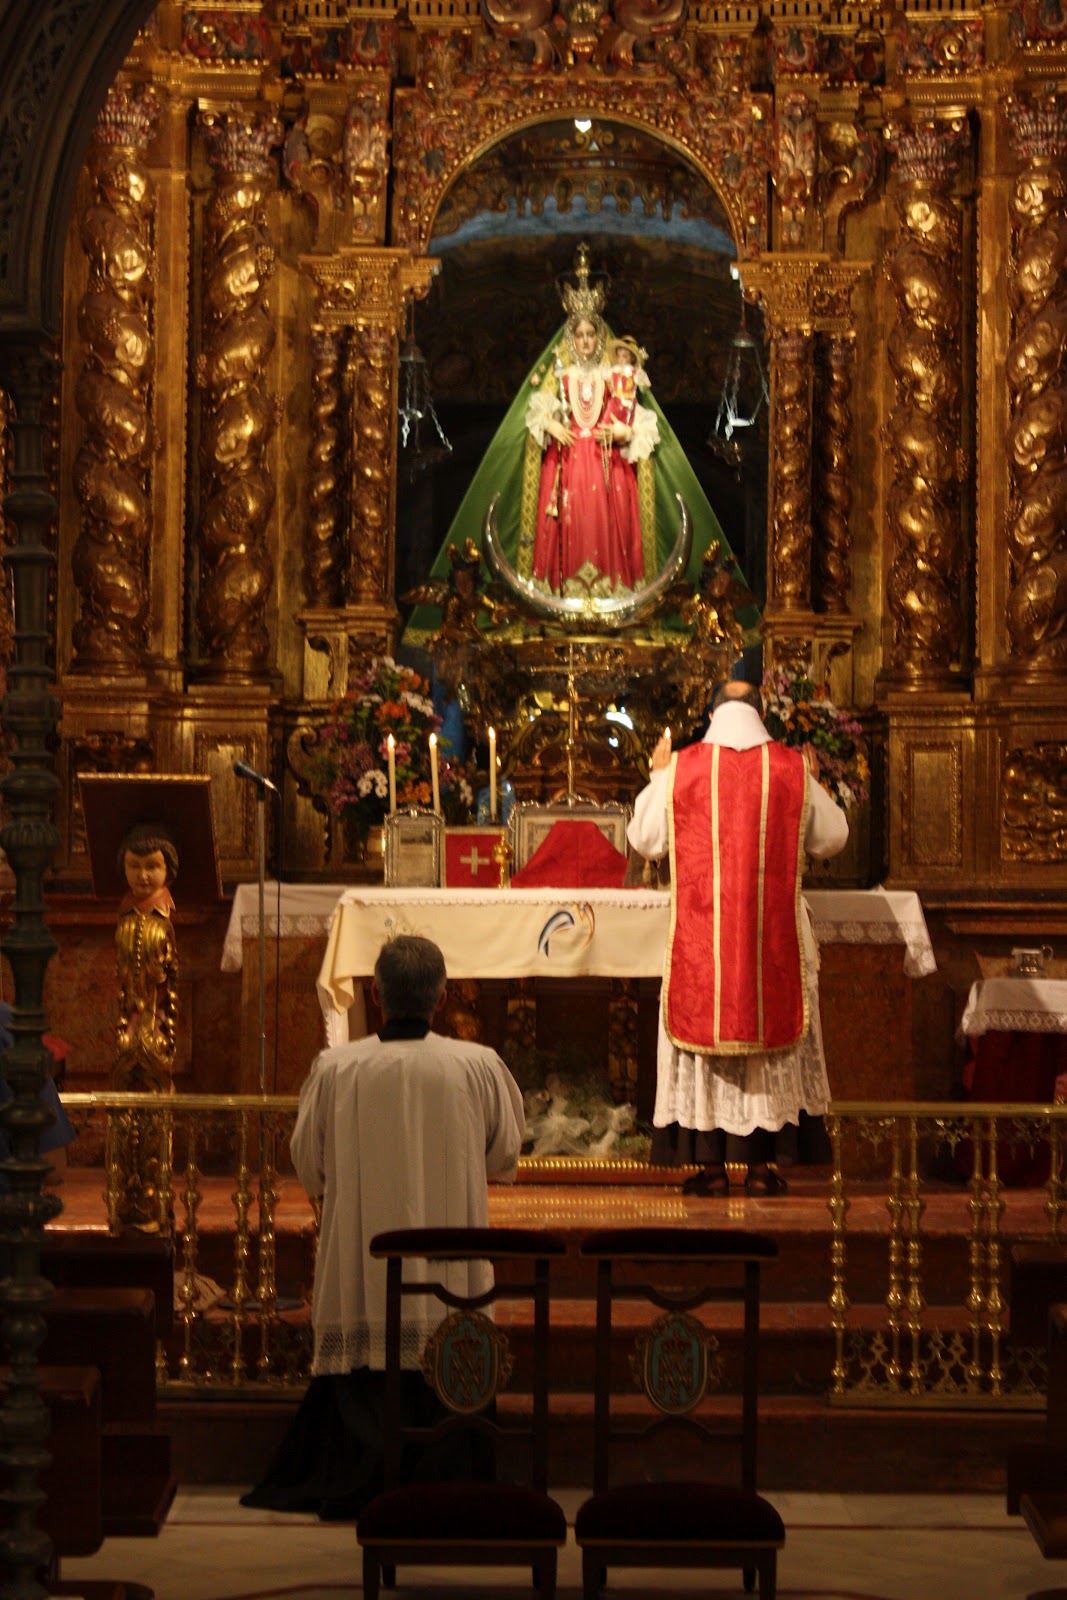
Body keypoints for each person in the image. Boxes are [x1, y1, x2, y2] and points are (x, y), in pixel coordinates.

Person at [242, 934, 524, 1518]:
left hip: (364, 1265)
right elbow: (503, 1157)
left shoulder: (337, 1068)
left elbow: (308, 1165)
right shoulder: (478, 1065)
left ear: (375, 995)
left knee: (368, 1331)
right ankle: (452, 1474)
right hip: (453, 1267)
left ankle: (359, 1472)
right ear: (442, 999)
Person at [628, 679, 849, 1196]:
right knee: (770, 1050)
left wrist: (657, 775)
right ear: (759, 712)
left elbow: (644, 840)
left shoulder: (681, 768)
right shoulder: (790, 768)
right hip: (773, 946)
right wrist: (813, 784)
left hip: (700, 944)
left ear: (712, 713)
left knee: (706, 1048)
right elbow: (833, 838)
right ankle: (763, 1167)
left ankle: (708, 1167)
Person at [526, 248, 659, 596]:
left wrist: (622, 431)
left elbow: (633, 416)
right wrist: (552, 425)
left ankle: (609, 590)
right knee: (572, 522)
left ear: (599, 336)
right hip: (570, 462)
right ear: (572, 337)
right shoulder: (561, 373)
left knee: (605, 523)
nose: (585, 341)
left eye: (590, 334)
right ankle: (567, 591)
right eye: (579, 335)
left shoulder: (613, 374)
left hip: (604, 462)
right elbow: (537, 411)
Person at [112, 822, 180, 1231]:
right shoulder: (126, 917)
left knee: (155, 1115)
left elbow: (169, 982)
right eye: (134, 866)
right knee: (125, 1115)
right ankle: (126, 1200)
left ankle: (155, 1199)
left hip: (154, 1034)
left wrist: (161, 1027)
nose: (142, 876)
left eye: (151, 867)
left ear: (167, 870)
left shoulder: (163, 919)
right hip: (130, 1033)